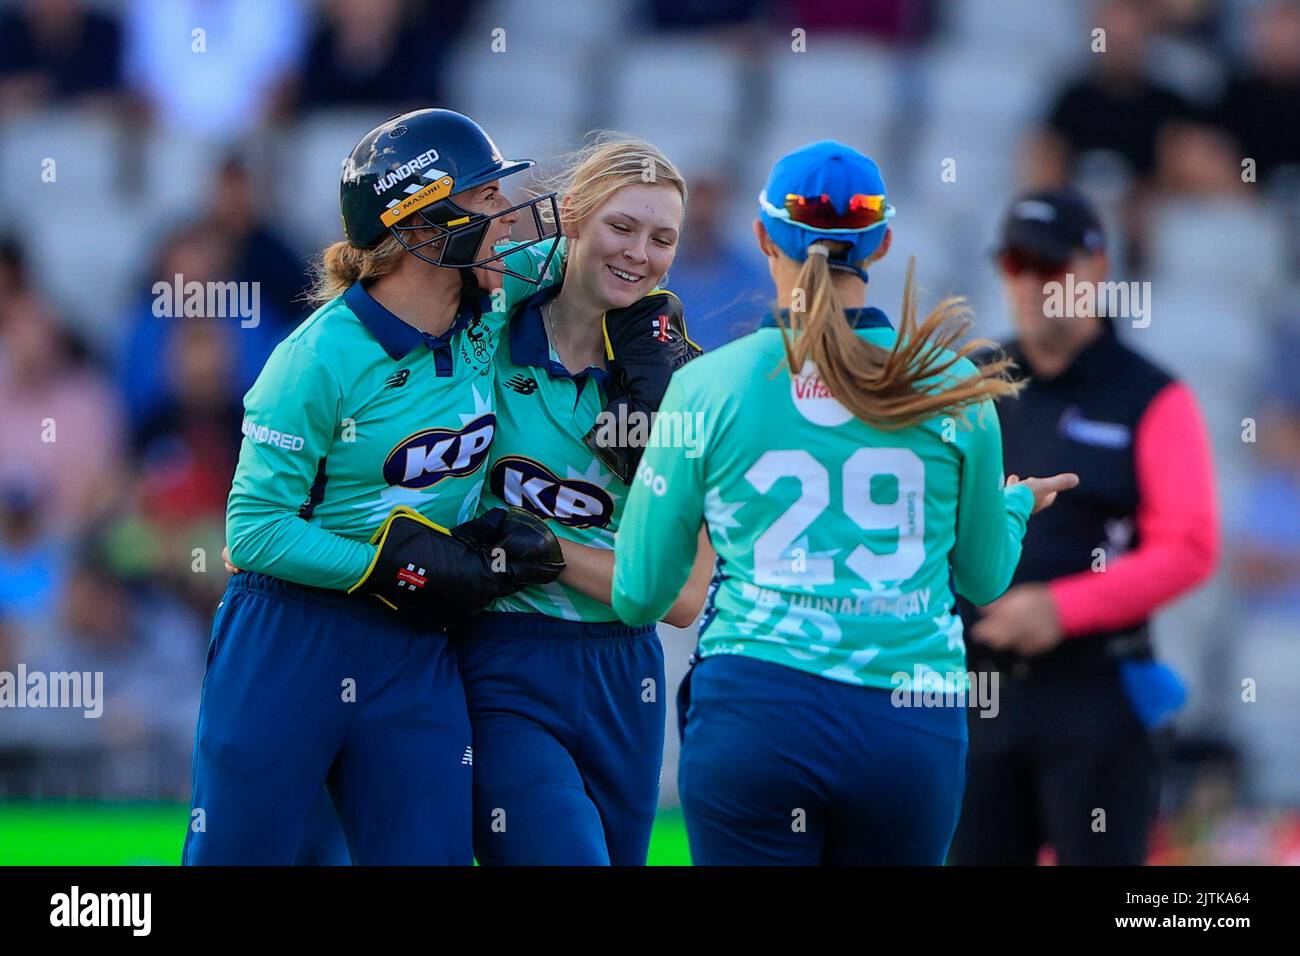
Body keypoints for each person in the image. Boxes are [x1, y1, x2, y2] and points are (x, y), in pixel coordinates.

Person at [611, 141, 1077, 865]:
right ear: (883, 242)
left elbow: (640, 594)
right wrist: (1013, 507)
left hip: (755, 713)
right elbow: (984, 581)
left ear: (763, 236)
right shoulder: (954, 385)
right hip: (908, 724)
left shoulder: (708, 385)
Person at [183, 108, 565, 866]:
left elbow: (614, 257)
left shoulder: (493, 306)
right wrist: (394, 566)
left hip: (413, 641)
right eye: (488, 200)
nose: (510, 219)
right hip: (292, 638)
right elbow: (253, 533)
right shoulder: (316, 359)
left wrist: (658, 324)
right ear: (425, 226)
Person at [453, 136, 715, 865]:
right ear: (571, 214)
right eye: (621, 227)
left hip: (623, 680)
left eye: (662, 238)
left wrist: (551, 553)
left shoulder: (680, 381)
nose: (640, 253)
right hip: (501, 660)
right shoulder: (489, 324)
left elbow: (685, 596)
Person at [948, 188, 1218, 866]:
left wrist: (1062, 608)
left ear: (1095, 267)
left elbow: (1188, 546)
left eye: (1050, 264)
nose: (1033, 282)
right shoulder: (972, 381)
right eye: (1016, 262)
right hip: (974, 689)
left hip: (1094, 692)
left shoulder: (1151, 394)